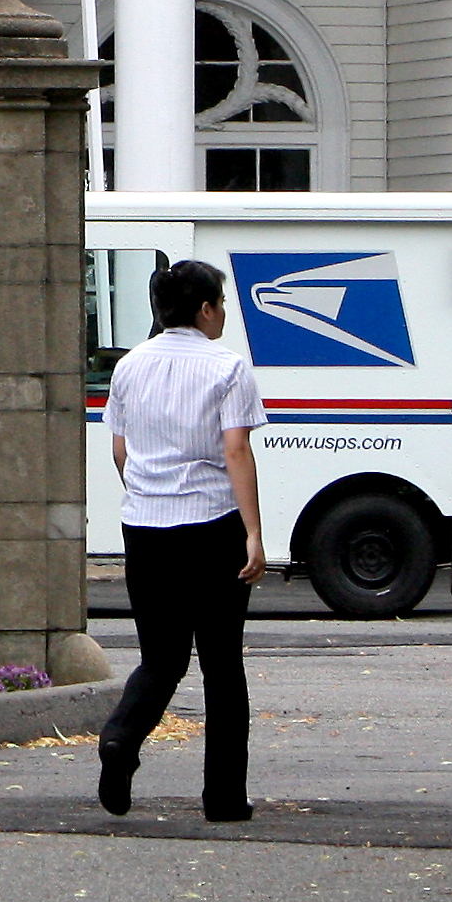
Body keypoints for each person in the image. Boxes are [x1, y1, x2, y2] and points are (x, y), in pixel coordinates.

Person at [95, 256, 265, 821]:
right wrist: (253, 532)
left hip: (146, 525)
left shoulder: (129, 366)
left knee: (161, 658)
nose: (223, 314)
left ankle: (121, 736)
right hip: (212, 523)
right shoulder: (228, 367)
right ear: (206, 309)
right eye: (221, 304)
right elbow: (236, 450)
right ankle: (224, 797)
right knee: (222, 664)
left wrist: (148, 494)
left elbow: (120, 450)